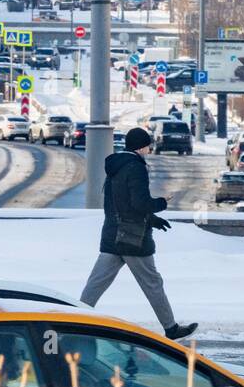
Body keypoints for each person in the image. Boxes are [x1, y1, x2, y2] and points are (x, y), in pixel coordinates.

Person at [80, 127, 197, 340]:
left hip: (112, 234)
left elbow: (122, 204)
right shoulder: (136, 167)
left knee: (96, 283)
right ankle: (171, 328)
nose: (150, 149)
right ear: (141, 146)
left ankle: (75, 319)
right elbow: (139, 203)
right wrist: (161, 203)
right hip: (132, 238)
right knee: (152, 282)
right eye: (148, 145)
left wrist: (152, 220)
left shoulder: (115, 166)